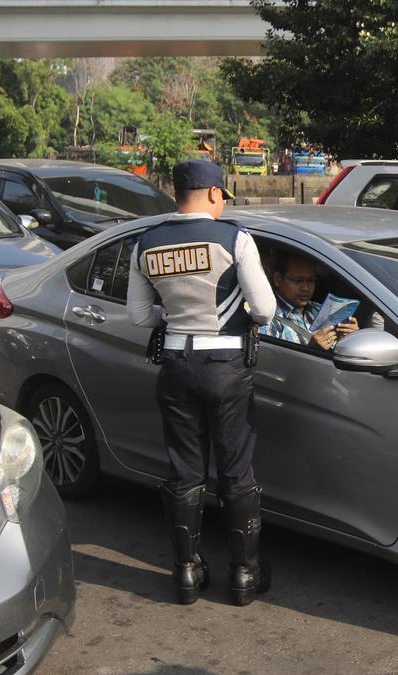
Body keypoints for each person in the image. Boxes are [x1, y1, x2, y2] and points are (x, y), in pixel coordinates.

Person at [126, 159, 277, 607]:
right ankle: (244, 575)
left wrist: (173, 318)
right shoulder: (234, 237)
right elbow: (265, 309)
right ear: (214, 194)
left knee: (185, 472)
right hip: (226, 365)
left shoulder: (145, 243)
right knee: (236, 472)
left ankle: (187, 573)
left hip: (175, 363)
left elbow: (137, 315)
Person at [260, 252, 369, 350]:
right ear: (278, 279)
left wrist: (349, 338)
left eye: (311, 281)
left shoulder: (321, 310)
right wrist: (310, 351)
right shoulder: (268, 319)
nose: (306, 288)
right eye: (298, 280)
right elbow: (267, 368)